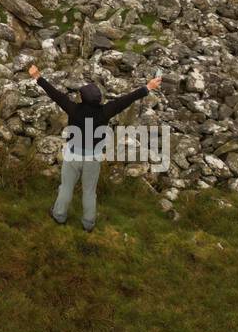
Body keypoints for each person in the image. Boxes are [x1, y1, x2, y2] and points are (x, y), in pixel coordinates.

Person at [28, 65, 161, 231]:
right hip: (93, 158)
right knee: (89, 192)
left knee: (66, 188)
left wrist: (37, 76)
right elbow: (127, 99)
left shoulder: (73, 109)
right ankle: (88, 223)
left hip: (73, 156)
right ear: (99, 99)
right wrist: (148, 87)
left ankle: (59, 216)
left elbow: (55, 94)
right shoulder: (105, 111)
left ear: (82, 98)